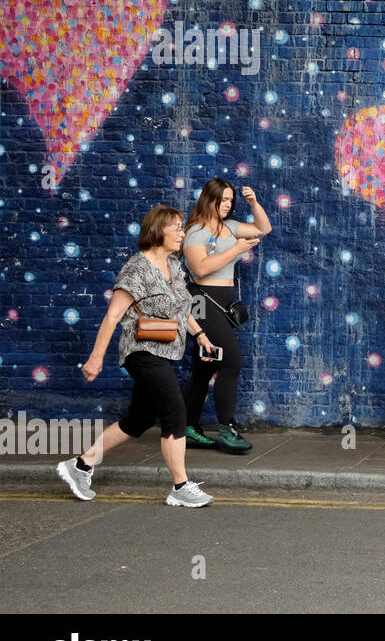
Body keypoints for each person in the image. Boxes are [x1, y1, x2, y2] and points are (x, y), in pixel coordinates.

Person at [57, 206, 219, 507]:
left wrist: (201, 336)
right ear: (159, 231)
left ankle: (80, 466)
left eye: (182, 227)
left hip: (165, 351)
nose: (182, 233)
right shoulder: (137, 268)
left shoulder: (173, 264)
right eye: (177, 227)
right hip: (141, 351)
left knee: (138, 420)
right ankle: (180, 487)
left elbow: (182, 309)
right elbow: (113, 315)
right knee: (175, 412)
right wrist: (96, 358)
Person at [181, 178, 272, 454]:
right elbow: (199, 268)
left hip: (221, 302)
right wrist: (236, 249)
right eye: (223, 200)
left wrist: (253, 203)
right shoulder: (196, 232)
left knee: (204, 369)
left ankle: (187, 429)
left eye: (231, 200)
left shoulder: (230, 227)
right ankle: (226, 427)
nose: (228, 205)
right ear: (210, 200)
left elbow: (263, 228)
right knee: (231, 362)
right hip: (202, 303)